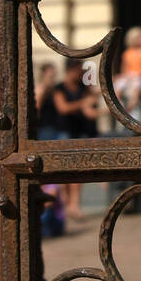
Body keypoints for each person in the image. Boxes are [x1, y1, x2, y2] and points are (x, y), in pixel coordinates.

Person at [52, 60, 99, 219]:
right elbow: (62, 108)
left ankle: (75, 205)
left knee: (78, 171)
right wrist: (82, 103)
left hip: (79, 133)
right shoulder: (59, 88)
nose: (80, 75)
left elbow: (90, 108)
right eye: (78, 71)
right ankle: (65, 204)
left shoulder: (83, 88)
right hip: (64, 133)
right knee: (63, 172)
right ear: (69, 71)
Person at [115, 26, 141, 117]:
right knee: (119, 84)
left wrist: (138, 74)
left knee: (136, 86)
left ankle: (132, 104)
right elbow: (124, 67)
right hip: (130, 75)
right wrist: (125, 75)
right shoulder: (127, 52)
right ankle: (117, 105)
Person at [35, 63, 64, 139]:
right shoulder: (41, 89)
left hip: (54, 126)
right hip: (45, 127)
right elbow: (37, 109)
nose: (53, 76)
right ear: (43, 74)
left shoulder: (53, 89)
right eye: (50, 74)